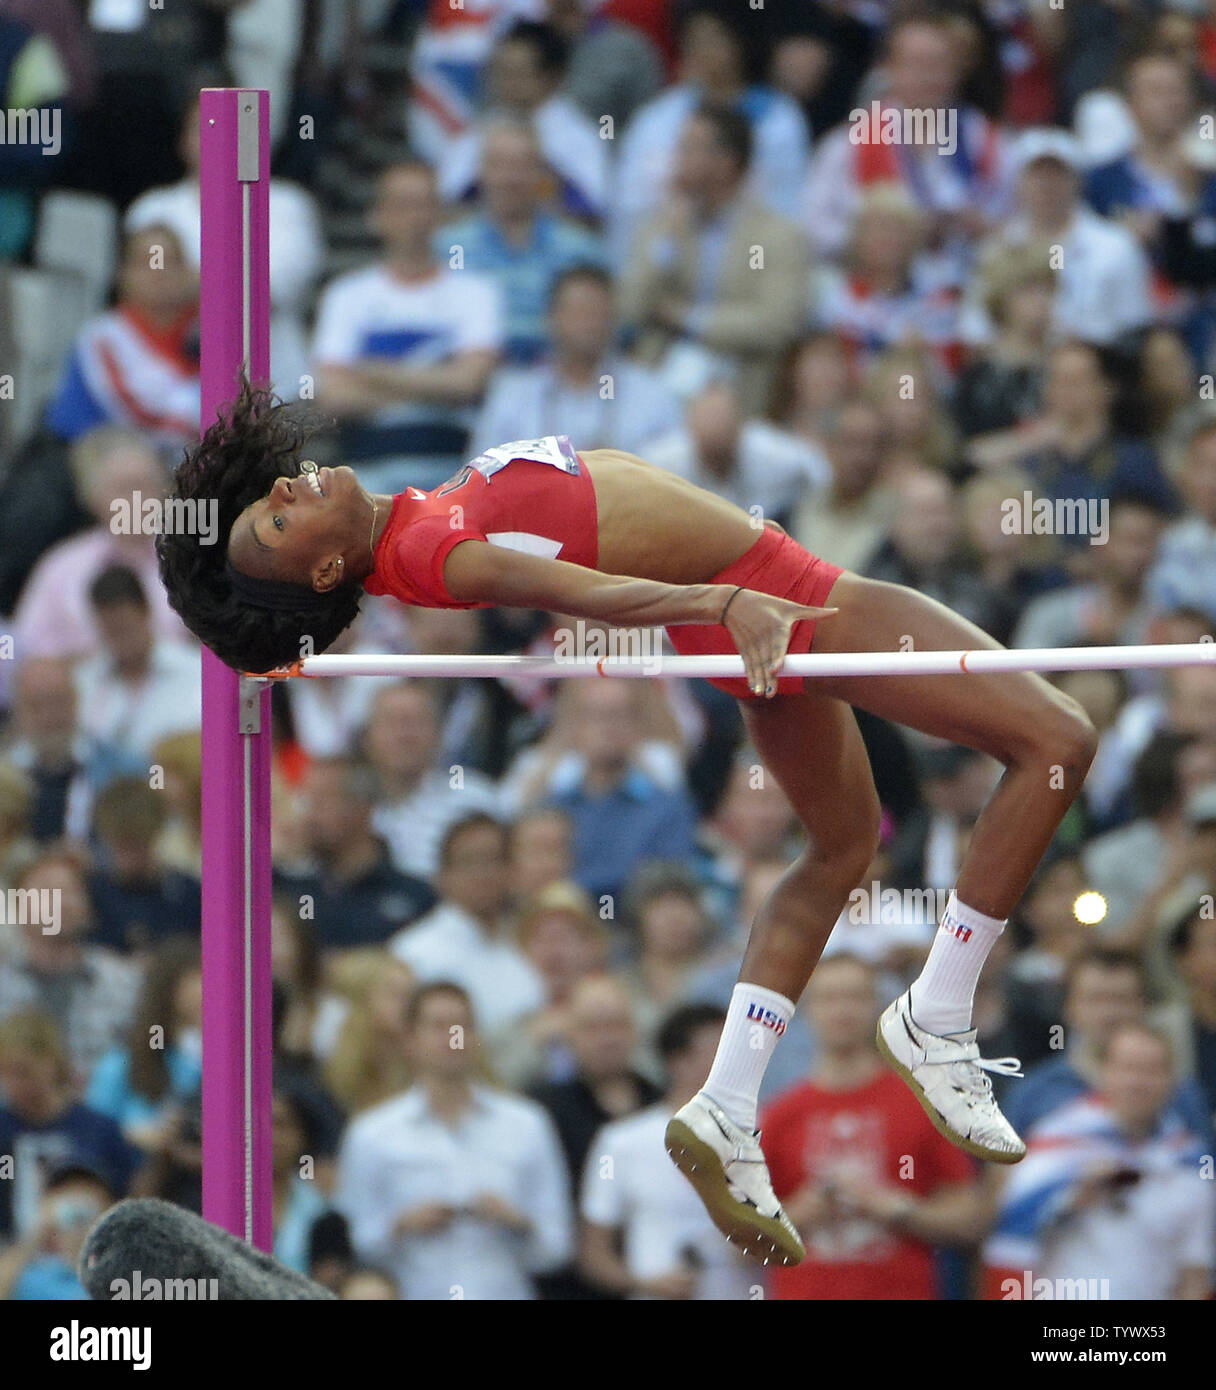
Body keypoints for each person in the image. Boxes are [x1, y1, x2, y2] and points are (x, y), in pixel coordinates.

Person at [160, 389, 1102, 1269]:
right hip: (780, 597)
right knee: (1057, 737)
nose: (287, 486)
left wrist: (723, 608)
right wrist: (722, 604)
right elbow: (581, 592)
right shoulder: (431, 549)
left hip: (749, 605)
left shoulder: (415, 517)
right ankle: (938, 1011)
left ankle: (728, 1103)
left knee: (842, 850)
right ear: (326, 568)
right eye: (280, 520)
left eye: (270, 500)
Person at [760, 955, 987, 1300]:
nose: (842, 1010)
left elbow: (970, 1217)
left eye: (855, 997)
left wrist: (900, 1209)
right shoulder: (779, 1115)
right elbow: (740, 1236)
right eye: (829, 998)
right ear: (807, 1011)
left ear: (877, 1007)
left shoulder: (922, 1105)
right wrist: (801, 1212)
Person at [336, 981, 572, 1300]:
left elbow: (558, 1246)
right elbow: (352, 1243)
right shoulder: (371, 1134)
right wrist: (400, 1227)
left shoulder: (527, 1123)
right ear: (409, 1040)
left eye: (463, 1026)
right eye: (438, 1026)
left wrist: (517, 1222)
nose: (453, 1038)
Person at [983, 1022, 1215, 1300]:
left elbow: (1195, 1273)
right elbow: (1006, 1231)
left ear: (1173, 1079)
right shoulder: (1055, 1143)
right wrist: (1071, 1198)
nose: (1138, 1082)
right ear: (1104, 1072)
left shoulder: (1190, 1162)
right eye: (1128, 1068)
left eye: (1152, 1070)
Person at [579, 1002, 754, 1300]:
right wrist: (643, 1282)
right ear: (678, 1062)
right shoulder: (622, 1141)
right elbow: (593, 1251)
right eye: (719, 1052)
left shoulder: (762, 1133)